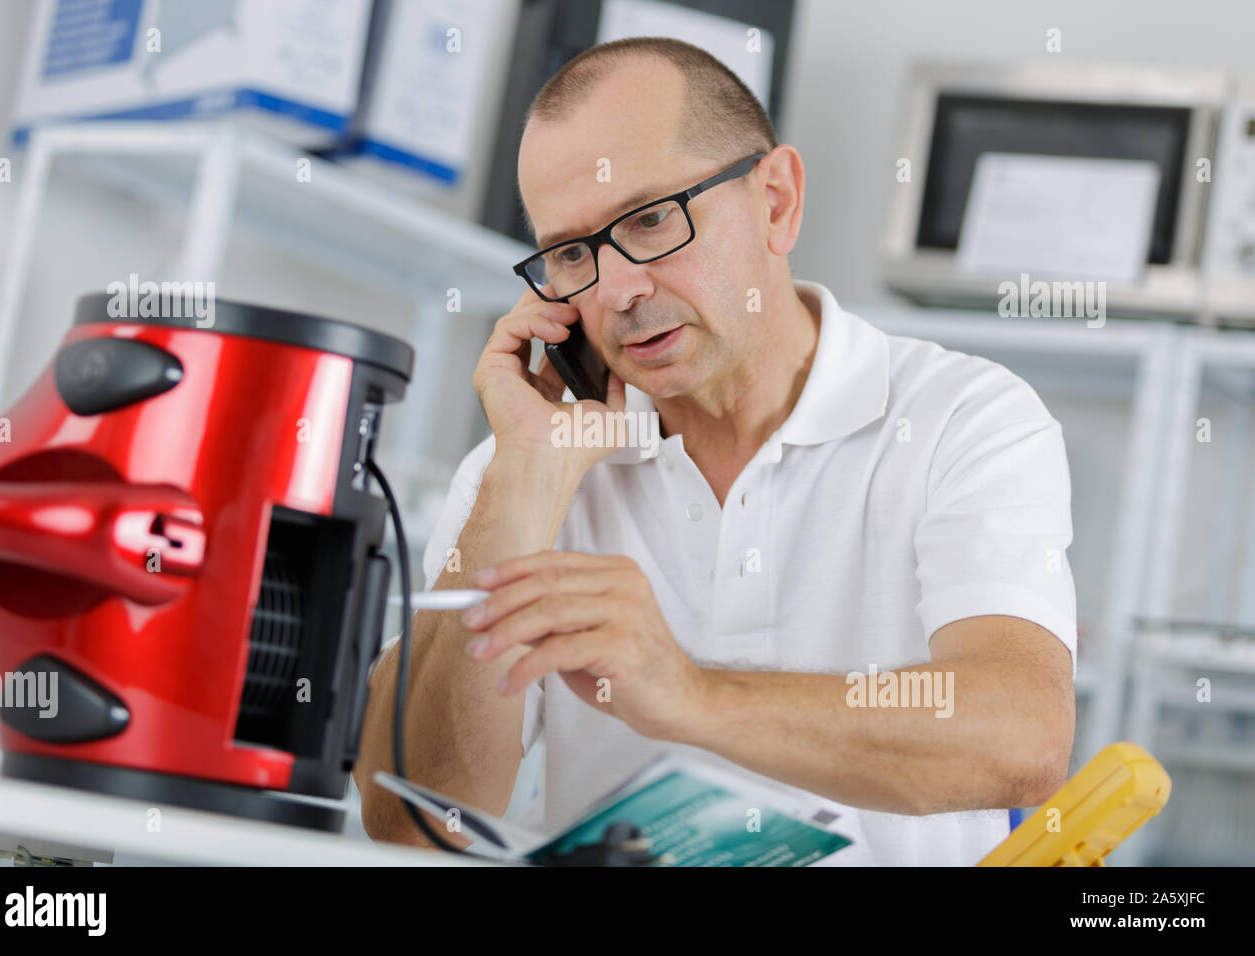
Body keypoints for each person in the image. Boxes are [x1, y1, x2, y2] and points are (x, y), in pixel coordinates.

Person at [354, 36, 1077, 866]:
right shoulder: (525, 467)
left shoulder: (961, 417)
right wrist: (525, 476)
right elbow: (409, 815)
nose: (619, 291)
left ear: (775, 200)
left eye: (653, 218)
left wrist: (687, 694)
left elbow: (1020, 739)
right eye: (572, 253)